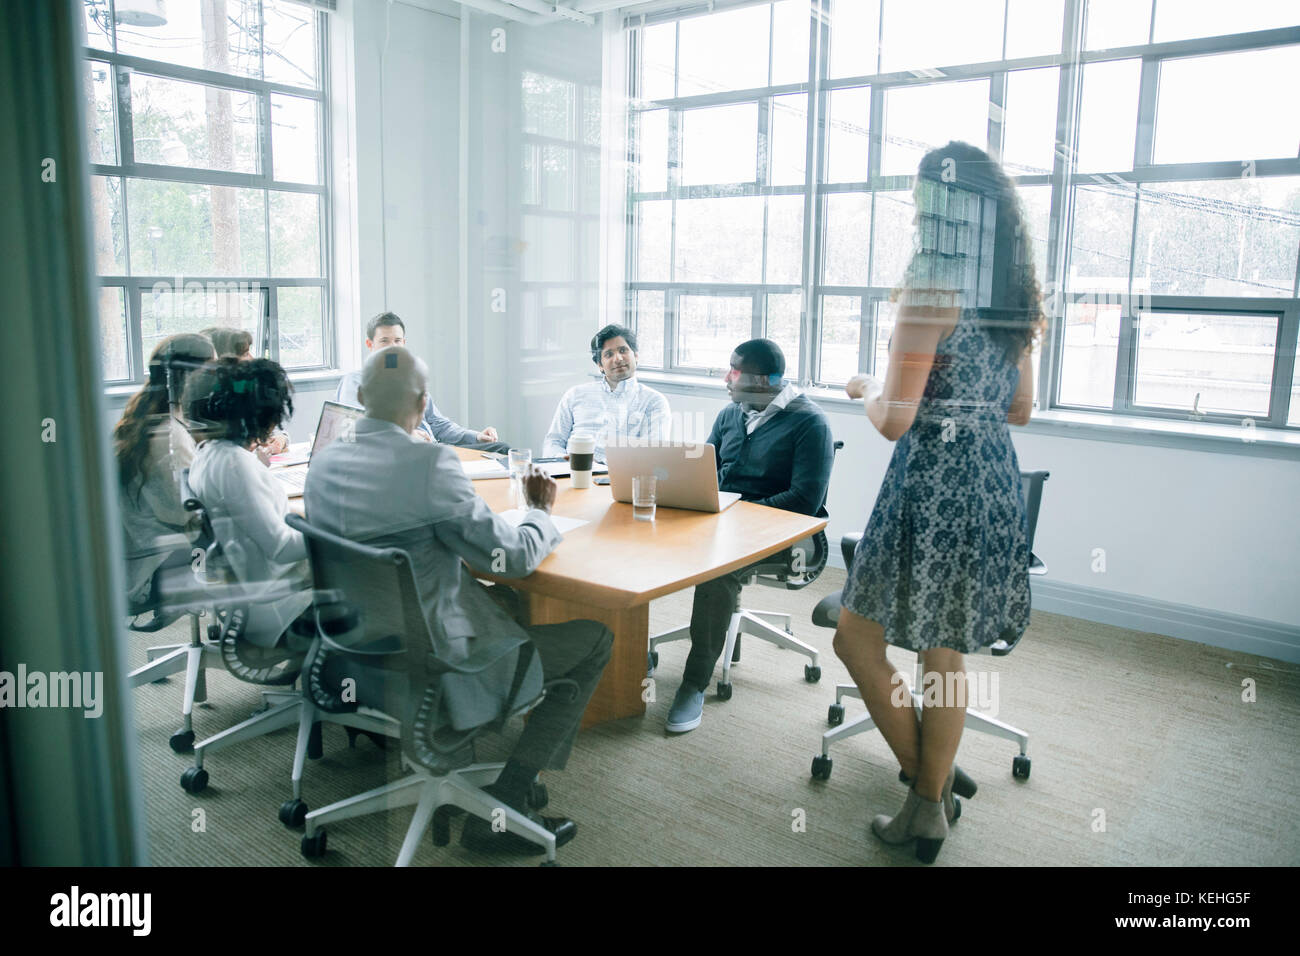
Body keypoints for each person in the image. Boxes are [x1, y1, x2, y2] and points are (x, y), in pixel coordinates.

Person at [305, 346, 613, 856]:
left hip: (352, 655)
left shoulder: (324, 463)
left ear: (358, 398)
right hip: (435, 666)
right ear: (424, 403)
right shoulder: (429, 462)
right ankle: (508, 805)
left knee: (501, 605)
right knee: (594, 639)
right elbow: (510, 558)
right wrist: (538, 512)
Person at [833, 141, 1042, 864]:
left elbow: (894, 419)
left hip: (930, 482)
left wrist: (865, 388)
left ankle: (926, 800)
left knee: (856, 640)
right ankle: (935, 779)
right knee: (942, 652)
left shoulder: (931, 292)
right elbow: (1020, 409)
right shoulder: (1013, 295)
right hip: (990, 479)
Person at [664, 338, 834, 734]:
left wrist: (737, 517)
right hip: (720, 522)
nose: (726, 377)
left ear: (760, 379)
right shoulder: (730, 414)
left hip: (778, 535)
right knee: (640, 538)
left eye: (734, 370)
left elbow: (806, 500)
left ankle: (693, 684)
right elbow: (703, 471)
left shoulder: (810, 423)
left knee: (716, 571)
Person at [184, 357, 313, 648]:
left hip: (250, 592)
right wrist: (334, 530)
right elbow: (280, 548)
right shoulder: (235, 464)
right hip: (277, 605)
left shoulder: (208, 453)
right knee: (368, 566)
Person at [115, 333, 217, 610]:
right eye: (212, 370)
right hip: (158, 567)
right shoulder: (170, 434)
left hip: (139, 557)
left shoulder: (144, 416)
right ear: (191, 376)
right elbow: (187, 512)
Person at [336, 312, 507, 453]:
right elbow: (360, 430)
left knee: (502, 450)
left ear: (404, 343)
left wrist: (475, 436)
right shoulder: (355, 381)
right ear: (369, 344)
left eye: (397, 341)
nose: (392, 347)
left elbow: (438, 424)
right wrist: (406, 436)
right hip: (401, 454)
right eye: (384, 341)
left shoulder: (411, 377)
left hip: (434, 447)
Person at [542, 324, 671, 463]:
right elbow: (553, 441)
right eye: (609, 354)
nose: (618, 358)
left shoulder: (653, 401)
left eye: (623, 350)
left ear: (636, 356)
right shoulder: (575, 395)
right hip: (571, 471)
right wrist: (562, 459)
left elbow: (652, 456)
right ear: (600, 365)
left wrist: (600, 464)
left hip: (619, 478)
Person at [201, 325, 289, 455]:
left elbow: (276, 432)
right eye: (246, 353)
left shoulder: (241, 393)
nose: (252, 359)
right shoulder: (216, 404)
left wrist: (281, 440)